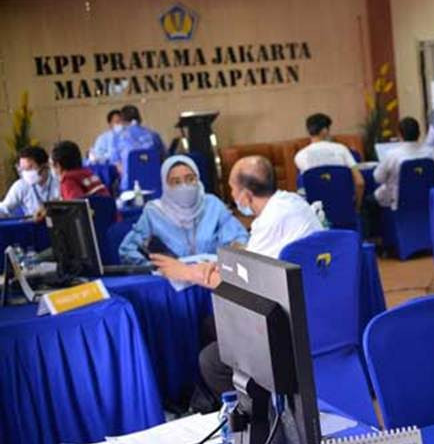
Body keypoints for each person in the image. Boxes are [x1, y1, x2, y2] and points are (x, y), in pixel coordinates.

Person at [150, 156, 322, 408]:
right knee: (212, 324)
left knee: (210, 360)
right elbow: (260, 259)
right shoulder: (290, 202)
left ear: (246, 195)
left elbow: (244, 287)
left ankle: (267, 417)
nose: (231, 195)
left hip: (292, 326)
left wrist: (187, 273)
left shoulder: (269, 220)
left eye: (232, 189)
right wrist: (226, 264)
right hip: (312, 310)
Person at [118, 155, 249, 264]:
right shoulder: (154, 212)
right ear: (165, 185)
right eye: (176, 182)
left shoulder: (212, 204)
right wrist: (156, 267)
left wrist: (235, 250)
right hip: (173, 284)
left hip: (211, 277)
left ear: (198, 179)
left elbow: (239, 238)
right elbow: (128, 250)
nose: (184, 186)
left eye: (190, 179)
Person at [294, 112, 364, 211]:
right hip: (344, 209)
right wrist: (356, 208)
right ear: (325, 130)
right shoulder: (342, 149)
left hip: (317, 214)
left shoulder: (300, 156)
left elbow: (303, 188)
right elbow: (360, 182)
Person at [371, 117, 433, 210]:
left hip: (397, 199)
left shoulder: (392, 155)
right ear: (419, 134)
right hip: (425, 199)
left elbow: (378, 178)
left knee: (368, 203)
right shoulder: (430, 154)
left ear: (400, 135)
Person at [0, 146, 60, 219]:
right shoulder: (21, 185)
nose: (26, 173)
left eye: (30, 168)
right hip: (33, 226)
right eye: (23, 169)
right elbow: (4, 208)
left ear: (44, 166)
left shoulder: (59, 181)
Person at [112, 104, 166, 171]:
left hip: (130, 179)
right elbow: (164, 157)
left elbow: (117, 164)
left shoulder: (118, 137)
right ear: (139, 118)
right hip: (154, 177)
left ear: (122, 120)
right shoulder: (153, 135)